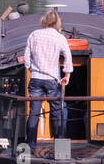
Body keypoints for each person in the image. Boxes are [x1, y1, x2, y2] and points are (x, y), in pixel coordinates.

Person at [23, 9, 72, 148]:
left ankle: (31, 147)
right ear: (57, 22)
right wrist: (67, 75)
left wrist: (31, 69)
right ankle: (61, 150)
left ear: (44, 20)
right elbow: (68, 56)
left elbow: (26, 57)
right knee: (58, 112)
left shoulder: (34, 35)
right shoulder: (59, 37)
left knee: (34, 112)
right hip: (52, 80)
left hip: (36, 79)